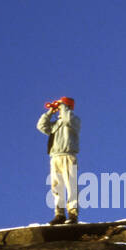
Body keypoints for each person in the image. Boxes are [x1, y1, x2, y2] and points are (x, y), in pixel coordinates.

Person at [37, 96, 80, 224]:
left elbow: (68, 118)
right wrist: (50, 112)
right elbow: (41, 126)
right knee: (56, 187)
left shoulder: (74, 120)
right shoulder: (55, 125)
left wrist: (62, 107)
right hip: (54, 157)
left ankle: (73, 214)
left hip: (68, 155)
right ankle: (59, 214)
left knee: (71, 185)